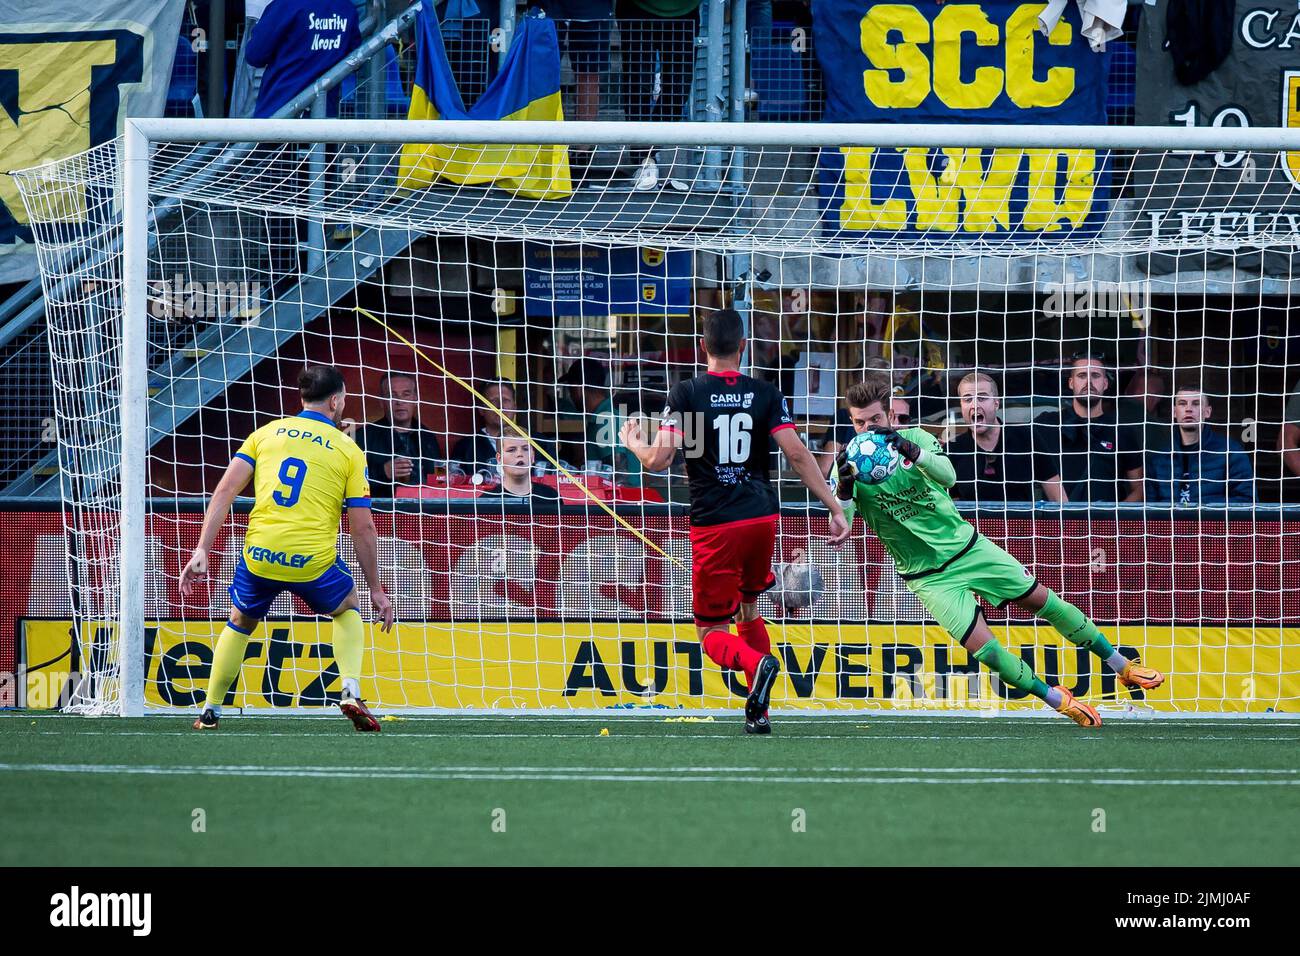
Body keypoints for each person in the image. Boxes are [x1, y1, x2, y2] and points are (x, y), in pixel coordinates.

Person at [833, 374, 1164, 727]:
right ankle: (1057, 699)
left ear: (890, 417)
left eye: (875, 420)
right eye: (860, 422)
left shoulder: (916, 439)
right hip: (927, 577)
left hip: (969, 548)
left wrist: (911, 451)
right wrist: (845, 489)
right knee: (986, 651)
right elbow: (843, 522)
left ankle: (1122, 666)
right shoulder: (851, 466)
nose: (868, 428)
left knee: (1044, 602)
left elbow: (947, 476)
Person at [621, 308, 850, 734]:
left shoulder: (688, 393)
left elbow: (660, 459)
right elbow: (797, 456)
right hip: (762, 518)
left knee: (710, 631)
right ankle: (758, 710)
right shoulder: (765, 394)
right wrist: (834, 507)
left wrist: (634, 442)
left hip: (716, 522)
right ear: (743, 347)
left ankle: (758, 664)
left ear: (702, 346)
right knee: (748, 606)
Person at [179, 364, 394, 732]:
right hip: (311, 561)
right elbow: (363, 527)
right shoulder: (349, 450)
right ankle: (349, 689)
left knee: (241, 620)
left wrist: (202, 549)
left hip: (261, 555)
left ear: (302, 398)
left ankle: (210, 710)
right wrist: (377, 588)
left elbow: (225, 491)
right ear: (336, 400)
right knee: (348, 607)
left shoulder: (265, 434)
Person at [1035, 353, 1145, 504]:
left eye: (1095, 375)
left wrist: (1115, 518)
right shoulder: (1048, 424)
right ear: (1071, 383)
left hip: (1106, 524)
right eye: (1082, 375)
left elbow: (1140, 488)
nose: (1089, 382)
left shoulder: (1121, 430)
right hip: (1059, 523)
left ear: (1105, 383)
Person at [947, 371, 1063, 504]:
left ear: (996, 404)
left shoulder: (1026, 438)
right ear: (961, 406)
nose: (975, 405)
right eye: (968, 399)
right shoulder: (953, 450)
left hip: (1021, 523)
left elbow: (1058, 499)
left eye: (982, 398)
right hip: (973, 525)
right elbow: (951, 510)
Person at [243, 0, 362, 118]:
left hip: (279, 108)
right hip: (324, 112)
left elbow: (254, 55)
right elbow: (353, 55)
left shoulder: (285, 5)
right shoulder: (346, 8)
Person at [1147, 386, 1253, 506]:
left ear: (1207, 412)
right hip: (1169, 524)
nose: (1188, 409)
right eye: (1182, 404)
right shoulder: (1158, 456)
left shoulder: (1231, 452)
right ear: (1174, 412)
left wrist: (1202, 510)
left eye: (1196, 404)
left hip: (1212, 524)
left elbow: (1247, 502)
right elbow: (1149, 508)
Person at [358, 372, 445, 497]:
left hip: (426, 512)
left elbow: (440, 478)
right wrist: (383, 472)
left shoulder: (428, 437)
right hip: (382, 514)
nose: (399, 401)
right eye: (392, 395)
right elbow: (346, 482)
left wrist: (447, 476)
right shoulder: (364, 437)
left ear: (415, 399)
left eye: (406, 394)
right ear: (382, 402)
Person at [559, 356, 642, 485]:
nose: (570, 395)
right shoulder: (601, 417)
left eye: (570, 390)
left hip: (620, 501)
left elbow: (620, 476)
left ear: (578, 389)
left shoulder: (607, 419)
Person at [478, 434, 562, 502]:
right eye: (511, 450)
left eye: (525, 449)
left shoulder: (551, 496)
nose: (519, 454)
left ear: (533, 456)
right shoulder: (486, 500)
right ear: (499, 459)